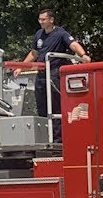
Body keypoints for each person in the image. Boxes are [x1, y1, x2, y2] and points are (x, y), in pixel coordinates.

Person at [21, 9, 90, 142]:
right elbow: (34, 53)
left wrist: (83, 55)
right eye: (39, 19)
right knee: (42, 106)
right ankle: (45, 137)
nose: (40, 22)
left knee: (55, 106)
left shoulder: (60, 33)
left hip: (54, 73)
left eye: (43, 19)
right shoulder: (39, 34)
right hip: (41, 74)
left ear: (51, 20)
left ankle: (58, 140)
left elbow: (73, 44)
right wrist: (21, 66)